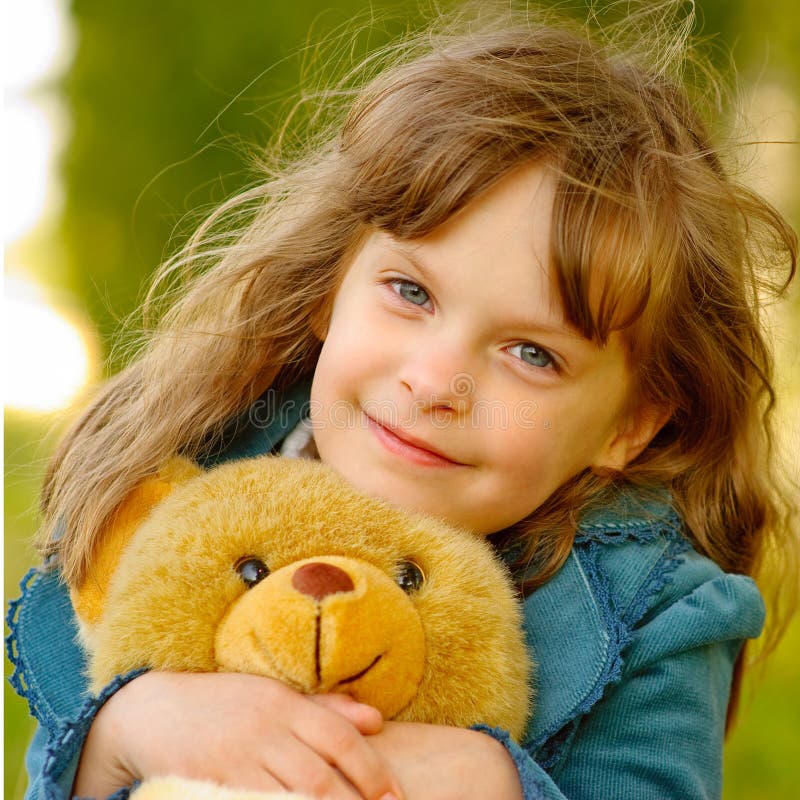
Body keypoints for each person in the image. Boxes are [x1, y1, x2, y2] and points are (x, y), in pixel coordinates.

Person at [7, 2, 798, 799]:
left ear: (628, 425)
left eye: (531, 354)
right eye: (411, 292)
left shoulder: (658, 610)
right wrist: (125, 731)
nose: (434, 383)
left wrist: (498, 782)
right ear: (331, 287)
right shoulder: (184, 493)